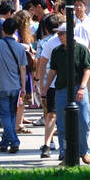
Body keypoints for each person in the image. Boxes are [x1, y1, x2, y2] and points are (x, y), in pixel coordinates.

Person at [49, 22, 90, 164]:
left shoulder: (81, 49)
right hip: (62, 89)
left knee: (84, 121)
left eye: (61, 33)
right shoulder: (57, 51)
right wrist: (45, 86)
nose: (59, 36)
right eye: (58, 34)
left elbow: (87, 69)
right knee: (62, 124)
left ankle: (83, 151)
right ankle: (65, 153)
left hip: (78, 88)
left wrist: (82, 87)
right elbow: (53, 70)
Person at [0, 17, 27, 153]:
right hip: (15, 86)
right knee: (11, 115)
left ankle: (14, 141)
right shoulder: (20, 47)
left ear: (3, 30)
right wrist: (23, 87)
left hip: (1, 85)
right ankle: (4, 142)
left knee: (4, 115)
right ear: (15, 31)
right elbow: (23, 69)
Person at [35, 15, 62, 157]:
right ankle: (50, 143)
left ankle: (50, 142)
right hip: (52, 83)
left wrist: (38, 81)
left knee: (49, 114)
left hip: (49, 82)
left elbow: (39, 62)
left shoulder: (43, 42)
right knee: (54, 114)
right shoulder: (52, 42)